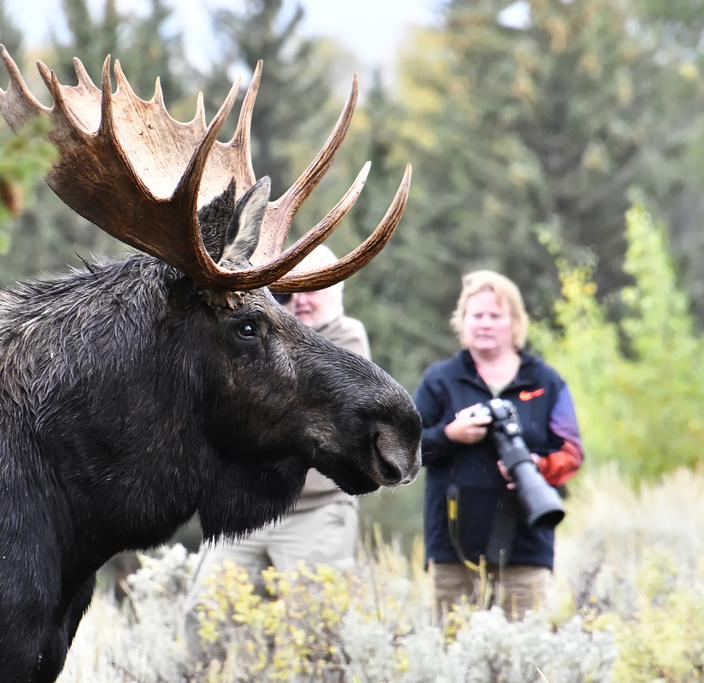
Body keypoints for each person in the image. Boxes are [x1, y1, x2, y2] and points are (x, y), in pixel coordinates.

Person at [183, 245, 370, 656]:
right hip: (252, 507)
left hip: (314, 511)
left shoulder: (346, 340)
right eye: (292, 285)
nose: (301, 296)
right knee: (206, 615)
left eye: (314, 286)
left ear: (335, 291)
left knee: (314, 632)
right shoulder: (261, 342)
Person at [413, 270, 583, 622]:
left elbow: (571, 454)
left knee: (523, 655)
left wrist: (537, 466)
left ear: (515, 323)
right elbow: (408, 451)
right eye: (476, 315)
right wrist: (451, 434)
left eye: (495, 316)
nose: (484, 324)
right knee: (452, 652)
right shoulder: (439, 380)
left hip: (526, 543)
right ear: (462, 321)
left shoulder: (545, 381)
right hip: (453, 546)